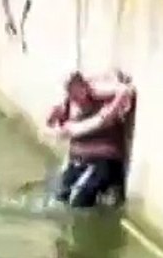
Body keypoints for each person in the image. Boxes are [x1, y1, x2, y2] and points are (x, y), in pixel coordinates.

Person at [45, 69, 136, 208]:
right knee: (59, 197)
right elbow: (49, 127)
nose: (77, 97)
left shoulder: (103, 101)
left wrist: (112, 108)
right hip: (78, 161)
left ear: (85, 86)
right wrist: (55, 124)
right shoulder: (67, 107)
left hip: (103, 161)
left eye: (78, 90)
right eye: (71, 92)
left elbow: (124, 93)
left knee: (78, 200)